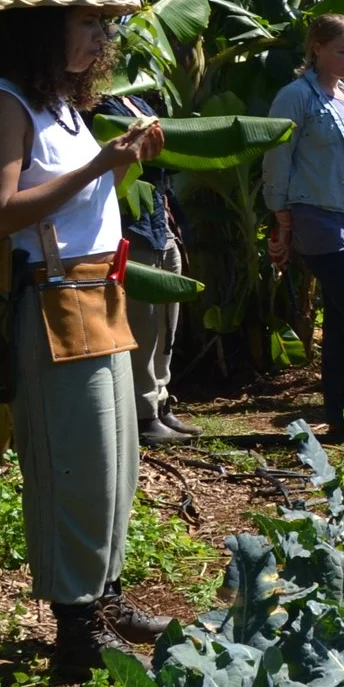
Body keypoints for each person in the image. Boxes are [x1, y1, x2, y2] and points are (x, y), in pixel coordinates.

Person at [0, 0, 171, 680]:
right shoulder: (5, 103)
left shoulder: (63, 105)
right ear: (41, 30)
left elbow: (73, 205)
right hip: (53, 298)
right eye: (87, 23)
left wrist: (120, 162)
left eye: (103, 24)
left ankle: (106, 596)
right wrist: (97, 168)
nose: (102, 36)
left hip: (98, 294)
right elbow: (0, 212)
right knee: (72, 465)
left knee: (115, 462)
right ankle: (76, 629)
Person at [264, 14, 344, 444]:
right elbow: (277, 158)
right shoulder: (295, 97)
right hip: (320, 220)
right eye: (342, 50)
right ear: (316, 49)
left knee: (341, 322)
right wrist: (280, 215)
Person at [107, 86, 197, 444]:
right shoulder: (100, 107)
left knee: (165, 323)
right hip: (132, 224)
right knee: (141, 326)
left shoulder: (139, 101)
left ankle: (162, 401)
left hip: (161, 221)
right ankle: (143, 413)